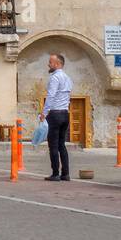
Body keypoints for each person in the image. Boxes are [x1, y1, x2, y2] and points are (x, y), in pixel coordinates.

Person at [41, 53, 73, 181]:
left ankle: (55, 173)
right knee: (62, 145)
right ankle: (65, 174)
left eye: (51, 62)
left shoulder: (55, 78)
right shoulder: (67, 78)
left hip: (54, 114)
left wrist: (44, 112)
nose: (48, 64)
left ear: (58, 64)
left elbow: (51, 96)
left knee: (53, 145)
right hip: (65, 113)